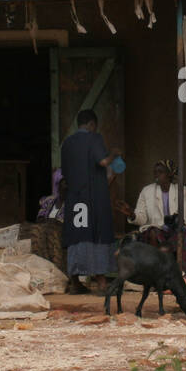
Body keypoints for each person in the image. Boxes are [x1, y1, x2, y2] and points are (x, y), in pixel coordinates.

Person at [60, 109, 120, 295]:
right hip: (94, 198)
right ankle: (102, 283)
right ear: (92, 124)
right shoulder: (94, 138)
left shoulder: (67, 143)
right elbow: (103, 162)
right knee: (97, 234)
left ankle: (75, 282)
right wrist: (114, 154)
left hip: (75, 199)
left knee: (77, 236)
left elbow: (64, 172)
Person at [115, 160, 186, 274]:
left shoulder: (182, 191)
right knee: (152, 233)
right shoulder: (147, 191)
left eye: (160, 172)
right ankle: (154, 272)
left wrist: (171, 224)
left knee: (181, 232)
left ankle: (180, 273)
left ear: (170, 174)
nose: (156, 175)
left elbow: (184, 218)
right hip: (155, 229)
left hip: (175, 228)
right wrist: (131, 213)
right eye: (155, 172)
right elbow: (142, 219)